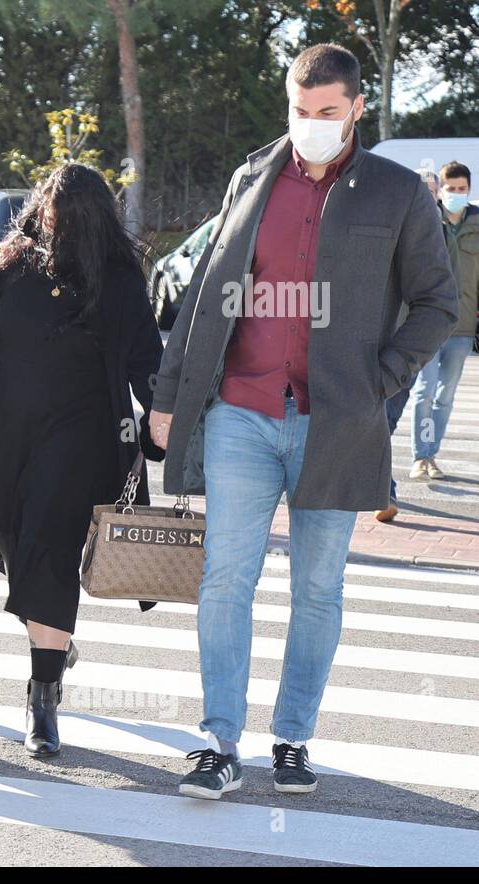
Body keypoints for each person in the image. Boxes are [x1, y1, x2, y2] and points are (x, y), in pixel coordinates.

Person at [148, 43, 458, 799]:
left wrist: (376, 384)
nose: (310, 125)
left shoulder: (397, 193)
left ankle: (292, 739)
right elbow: (204, 295)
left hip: (334, 422)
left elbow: (438, 304)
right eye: (298, 109)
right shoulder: (252, 177)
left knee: (318, 590)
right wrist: (166, 395)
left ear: (356, 108)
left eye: (326, 113)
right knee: (226, 579)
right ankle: (219, 742)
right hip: (240, 414)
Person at [0, 162, 166, 757]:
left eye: (75, 218)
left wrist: (160, 420)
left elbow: (147, 357)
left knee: (50, 556)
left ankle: (42, 699)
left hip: (83, 445)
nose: (61, 227)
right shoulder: (7, 269)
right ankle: (54, 641)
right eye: (53, 213)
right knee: (18, 555)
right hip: (5, 443)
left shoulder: (118, 279)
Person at [375, 168, 439, 522]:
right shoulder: (389, 232)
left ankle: (379, 488)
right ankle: (383, 491)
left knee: (385, 421)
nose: (424, 199)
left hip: (412, 347)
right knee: (379, 421)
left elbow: (444, 297)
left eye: (430, 192)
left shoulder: (439, 237)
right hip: (382, 344)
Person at [407, 160, 478, 481]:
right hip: (429, 324)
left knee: (445, 395)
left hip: (462, 326)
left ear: (470, 190)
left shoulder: (477, 226)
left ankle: (431, 454)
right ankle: (421, 455)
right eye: (450, 189)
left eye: (462, 189)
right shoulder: (427, 221)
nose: (455, 194)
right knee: (425, 390)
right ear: (441, 189)